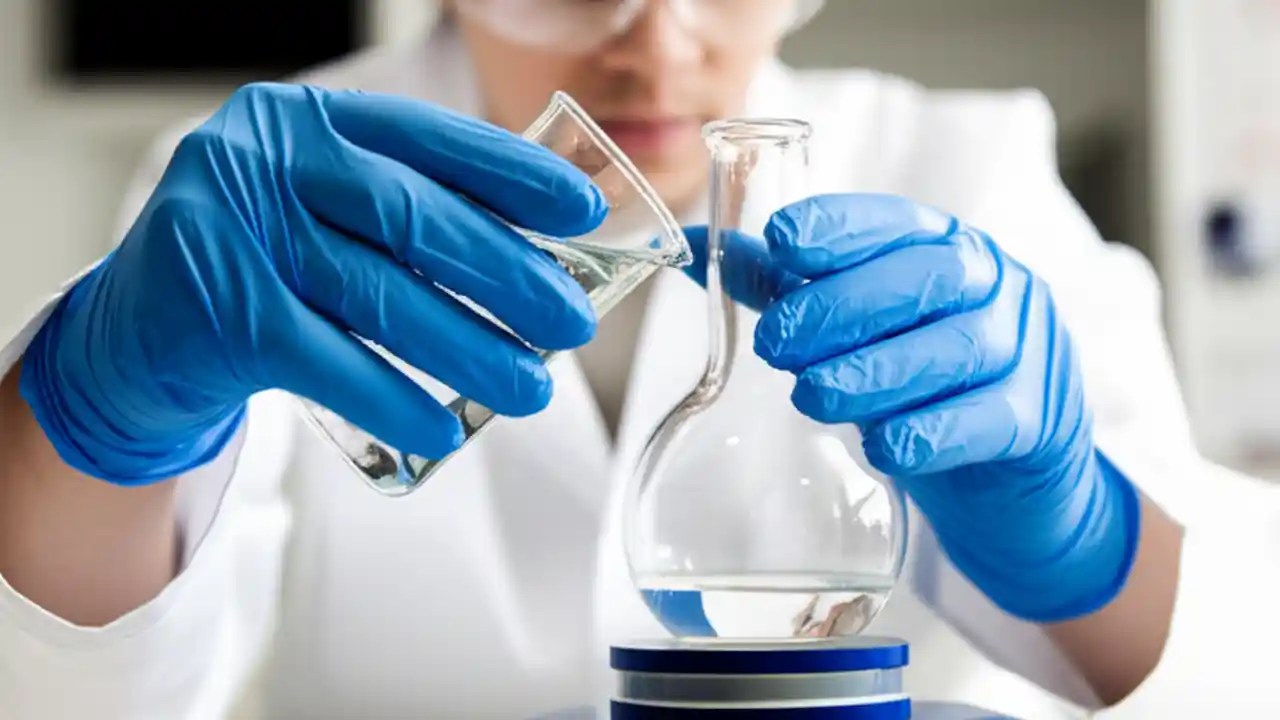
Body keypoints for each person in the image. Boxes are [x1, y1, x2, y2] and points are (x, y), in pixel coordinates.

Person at [1, 1, 1278, 717]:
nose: (654, 43)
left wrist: (1080, 538)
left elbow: (1238, 675)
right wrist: (93, 420)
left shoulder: (967, 165)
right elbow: (72, 699)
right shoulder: (278, 189)